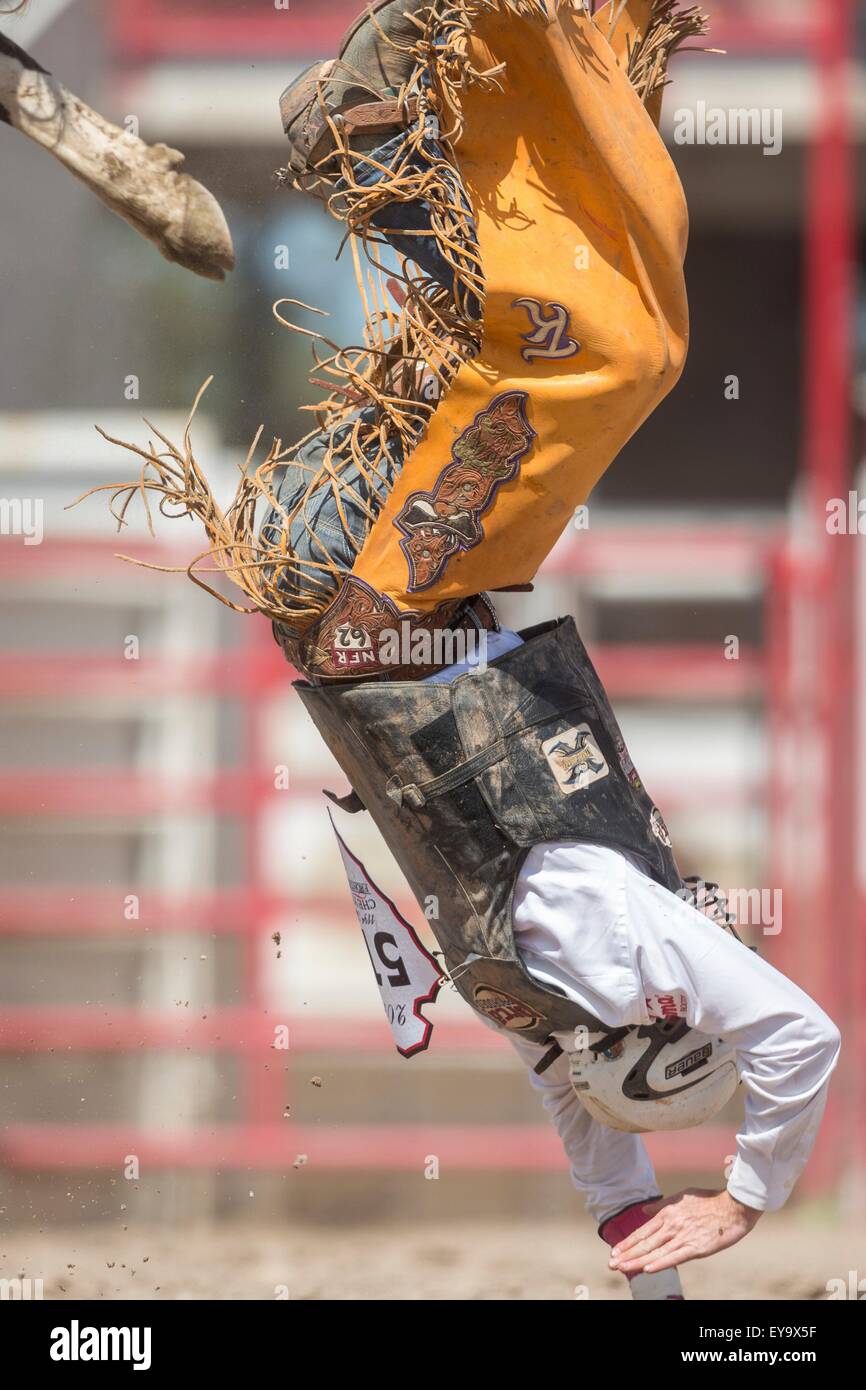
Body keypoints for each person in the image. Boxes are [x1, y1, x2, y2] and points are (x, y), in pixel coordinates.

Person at [87, 1, 840, 1300]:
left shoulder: (613, 943)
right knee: (557, 345)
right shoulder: (541, 1002)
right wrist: (648, 1262)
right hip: (346, 610)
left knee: (614, 356)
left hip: (396, 598)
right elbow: (597, 1154)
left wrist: (742, 1200)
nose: (718, 949)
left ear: (652, 1015)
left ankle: (417, 120)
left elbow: (803, 1037)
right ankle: (372, 144)